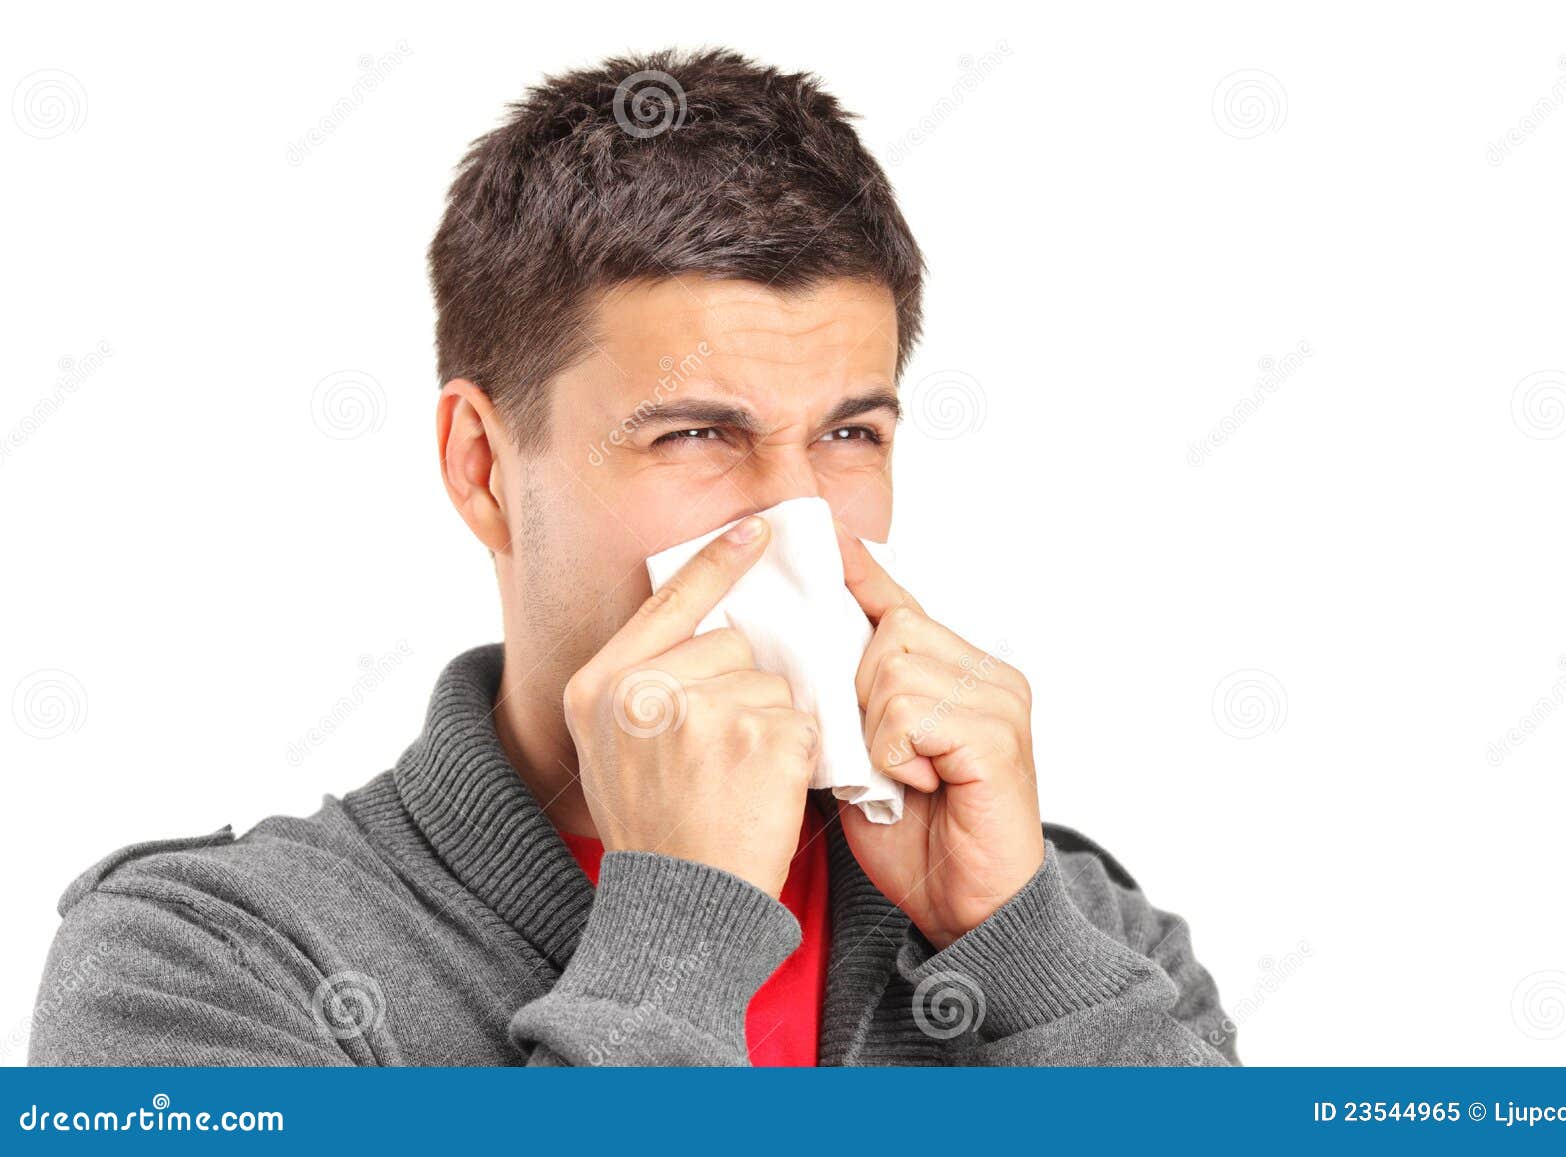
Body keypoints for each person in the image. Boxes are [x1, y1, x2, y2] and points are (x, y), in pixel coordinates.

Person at [29, 47, 1238, 1067]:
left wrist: (1027, 953)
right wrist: (681, 931)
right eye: (697, 434)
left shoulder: (1090, 933)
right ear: (481, 465)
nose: (791, 520)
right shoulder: (205, 960)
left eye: (848, 434)